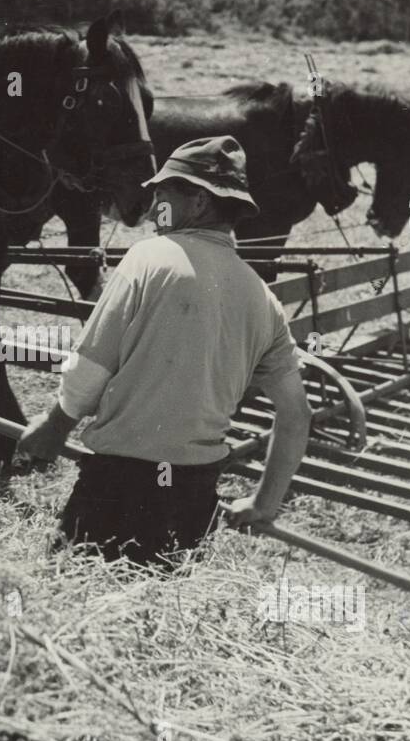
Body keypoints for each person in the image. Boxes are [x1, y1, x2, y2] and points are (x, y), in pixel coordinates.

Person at [18, 135, 312, 565]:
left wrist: (54, 425)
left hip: (119, 485)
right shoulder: (262, 297)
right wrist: (264, 504)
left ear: (197, 201)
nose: (154, 209)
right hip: (194, 493)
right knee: (155, 622)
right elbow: (296, 414)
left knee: (78, 609)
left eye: (163, 194)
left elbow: (91, 367)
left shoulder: (148, 259)